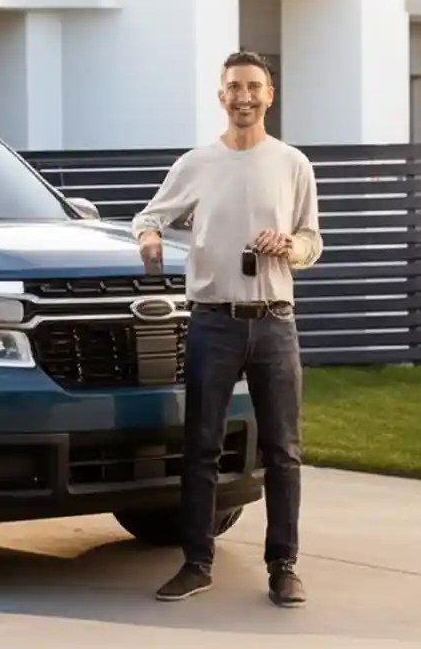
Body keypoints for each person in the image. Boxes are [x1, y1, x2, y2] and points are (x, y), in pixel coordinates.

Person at [131, 51, 322, 608]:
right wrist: (148, 239)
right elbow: (149, 216)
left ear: (269, 95)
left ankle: (283, 565)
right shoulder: (197, 163)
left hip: (275, 323)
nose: (243, 96)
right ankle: (196, 562)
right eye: (234, 87)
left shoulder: (292, 163)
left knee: (283, 450)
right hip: (213, 322)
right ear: (222, 97)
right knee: (201, 447)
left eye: (253, 86)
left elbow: (312, 238)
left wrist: (291, 246)